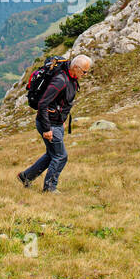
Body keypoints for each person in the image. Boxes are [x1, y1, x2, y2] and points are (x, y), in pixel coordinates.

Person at [17, 54, 92, 193]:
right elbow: (43, 103)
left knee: (52, 154)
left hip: (56, 122)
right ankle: (50, 187)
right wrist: (47, 129)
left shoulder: (71, 78)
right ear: (75, 67)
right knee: (61, 156)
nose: (85, 74)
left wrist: (62, 120)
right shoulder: (60, 80)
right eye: (84, 71)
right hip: (48, 123)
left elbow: (62, 102)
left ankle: (26, 176)